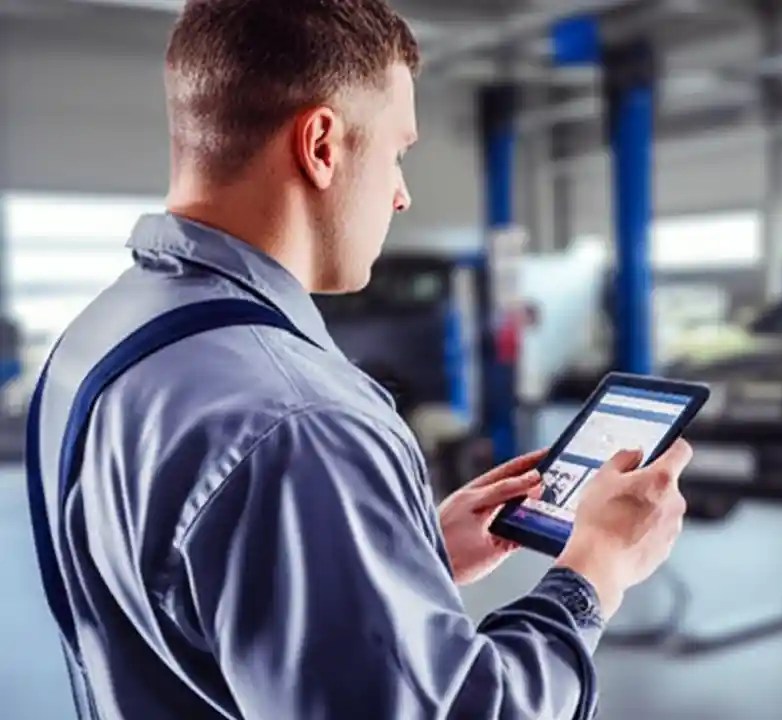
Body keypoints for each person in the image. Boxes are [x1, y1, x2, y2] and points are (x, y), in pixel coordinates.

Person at [27, 1, 691, 718]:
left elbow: (181, 602)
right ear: (320, 145)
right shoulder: (301, 421)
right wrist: (593, 571)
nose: (402, 194)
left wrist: (402, 551)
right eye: (397, 151)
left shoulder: (101, 338)